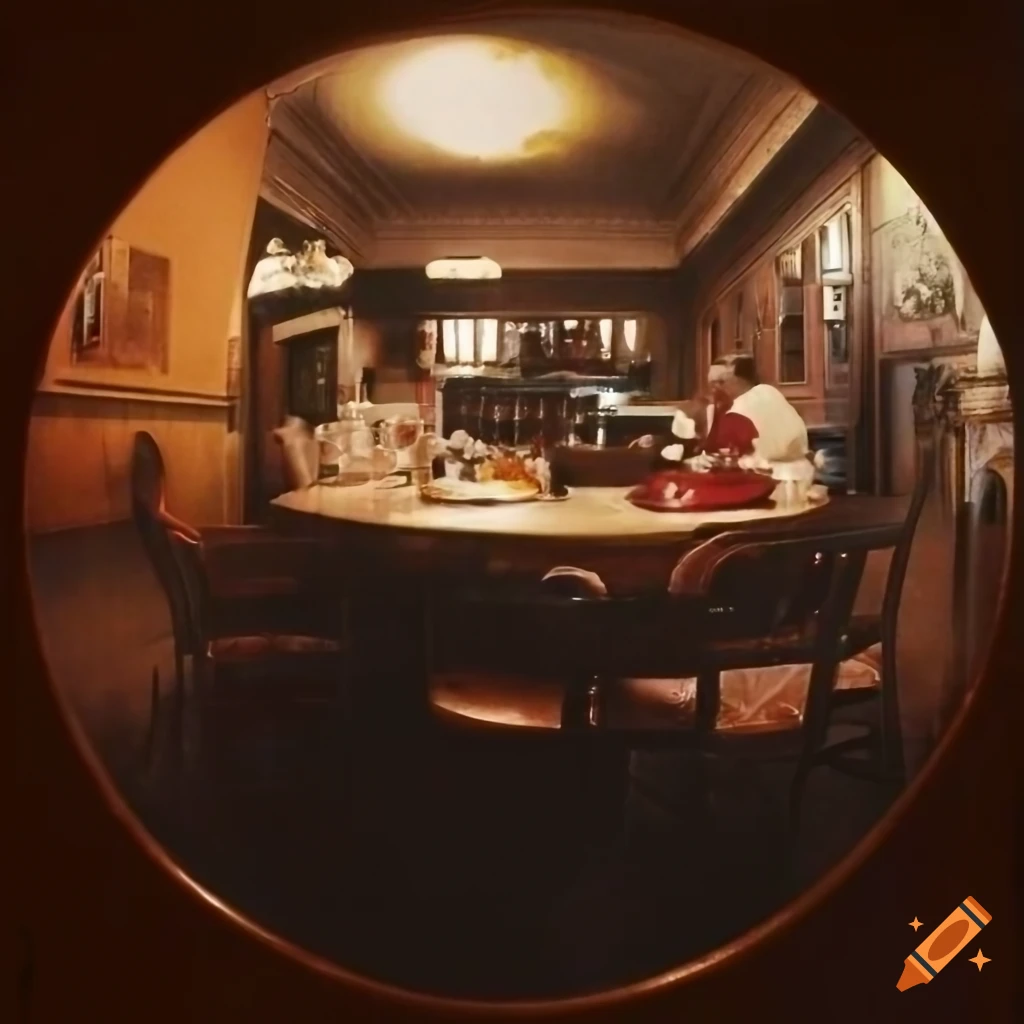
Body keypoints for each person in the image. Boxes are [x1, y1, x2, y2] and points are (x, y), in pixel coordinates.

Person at [702, 352, 808, 460]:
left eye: (721, 382)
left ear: (741, 381)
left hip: (764, 467)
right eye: (711, 383)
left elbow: (727, 451)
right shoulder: (770, 393)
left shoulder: (742, 409)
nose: (715, 389)